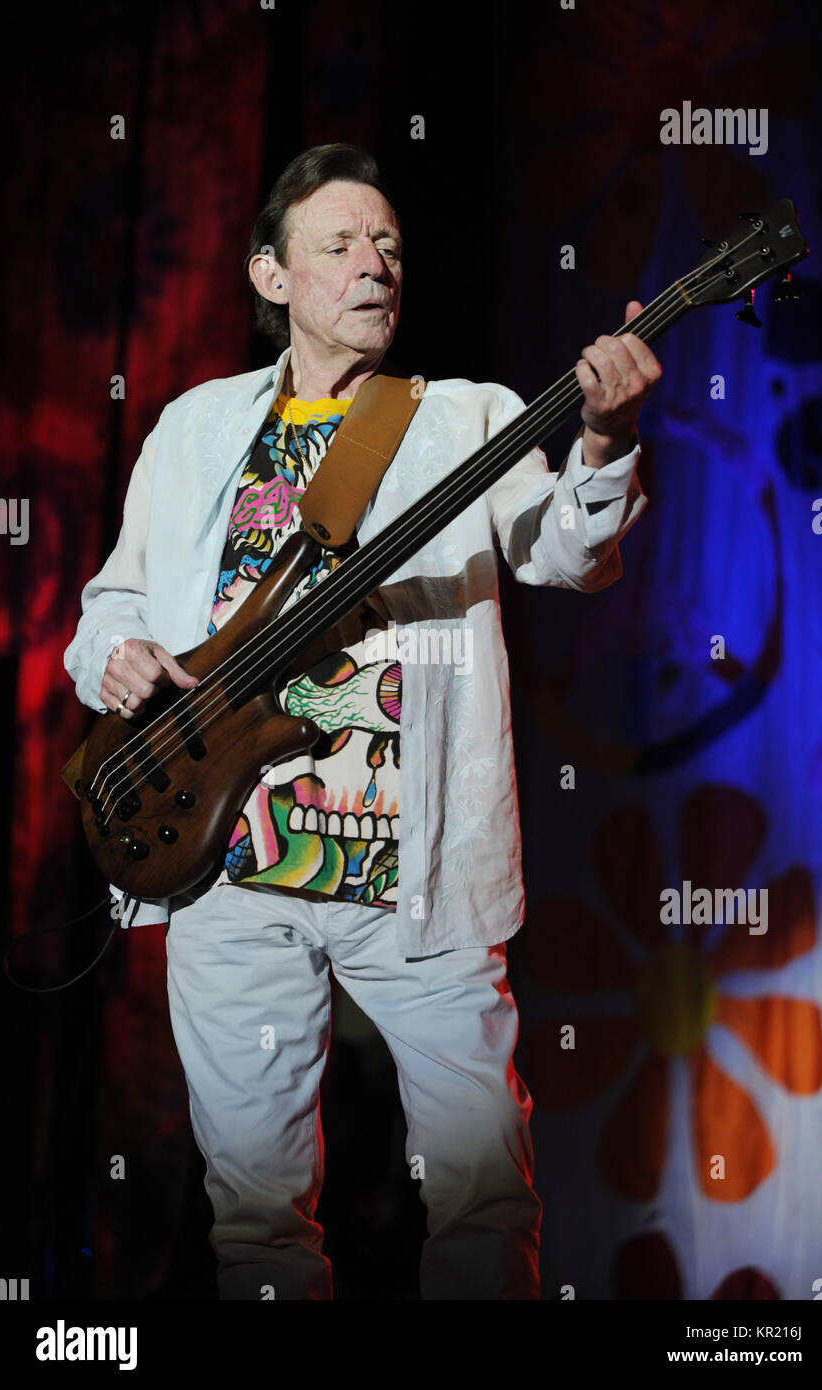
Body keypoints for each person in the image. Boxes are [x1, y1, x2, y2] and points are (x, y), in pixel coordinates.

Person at [64, 142, 661, 1300]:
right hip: (228, 862)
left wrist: (601, 441)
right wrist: (118, 659)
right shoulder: (192, 432)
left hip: (413, 870)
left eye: (387, 243)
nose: (374, 264)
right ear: (271, 277)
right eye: (338, 245)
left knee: (485, 1188)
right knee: (253, 1212)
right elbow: (109, 609)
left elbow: (569, 554)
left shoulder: (467, 420)